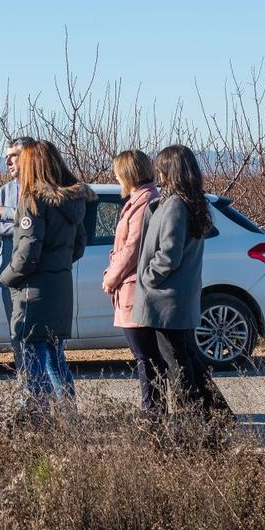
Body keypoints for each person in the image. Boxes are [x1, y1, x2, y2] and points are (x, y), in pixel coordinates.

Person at [129, 144, 228, 419]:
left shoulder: (174, 205)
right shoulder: (192, 203)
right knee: (189, 362)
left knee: (178, 368)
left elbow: (168, 255)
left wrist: (146, 277)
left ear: (170, 170)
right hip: (179, 300)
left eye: (160, 165)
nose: (156, 171)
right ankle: (219, 415)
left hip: (165, 302)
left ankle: (190, 426)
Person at [0, 141, 93, 416]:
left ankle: (39, 418)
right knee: (54, 355)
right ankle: (68, 415)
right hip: (60, 286)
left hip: (33, 292)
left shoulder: (33, 201)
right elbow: (79, 246)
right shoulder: (73, 202)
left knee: (34, 356)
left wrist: (7, 277)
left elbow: (27, 254)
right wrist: (57, 266)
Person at [100, 150, 160, 412]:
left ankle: (152, 412)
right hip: (131, 287)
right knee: (148, 357)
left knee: (145, 357)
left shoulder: (144, 202)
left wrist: (111, 278)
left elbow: (132, 247)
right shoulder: (138, 199)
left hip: (135, 289)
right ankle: (155, 409)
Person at [0, 136, 35, 372]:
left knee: (41, 339)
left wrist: (5, 213)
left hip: (36, 275)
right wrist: (22, 227)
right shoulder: (4, 190)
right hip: (10, 275)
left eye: (13, 156)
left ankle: (44, 395)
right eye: (6, 157)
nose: (7, 161)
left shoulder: (43, 190)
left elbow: (41, 222)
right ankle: (26, 391)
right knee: (17, 336)